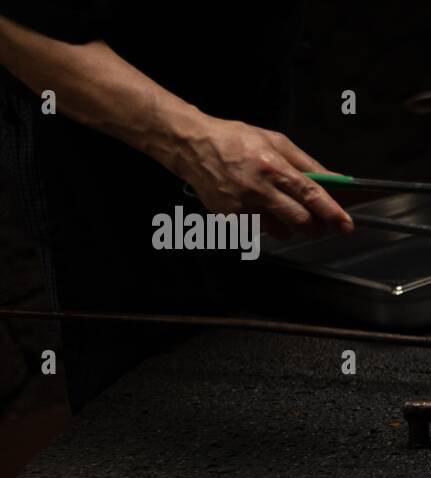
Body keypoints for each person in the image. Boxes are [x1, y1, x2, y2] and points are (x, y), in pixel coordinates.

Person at [0, 4, 353, 409]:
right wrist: (194, 144)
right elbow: (17, 24)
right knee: (139, 396)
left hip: (242, 108)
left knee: (245, 362)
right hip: (98, 151)